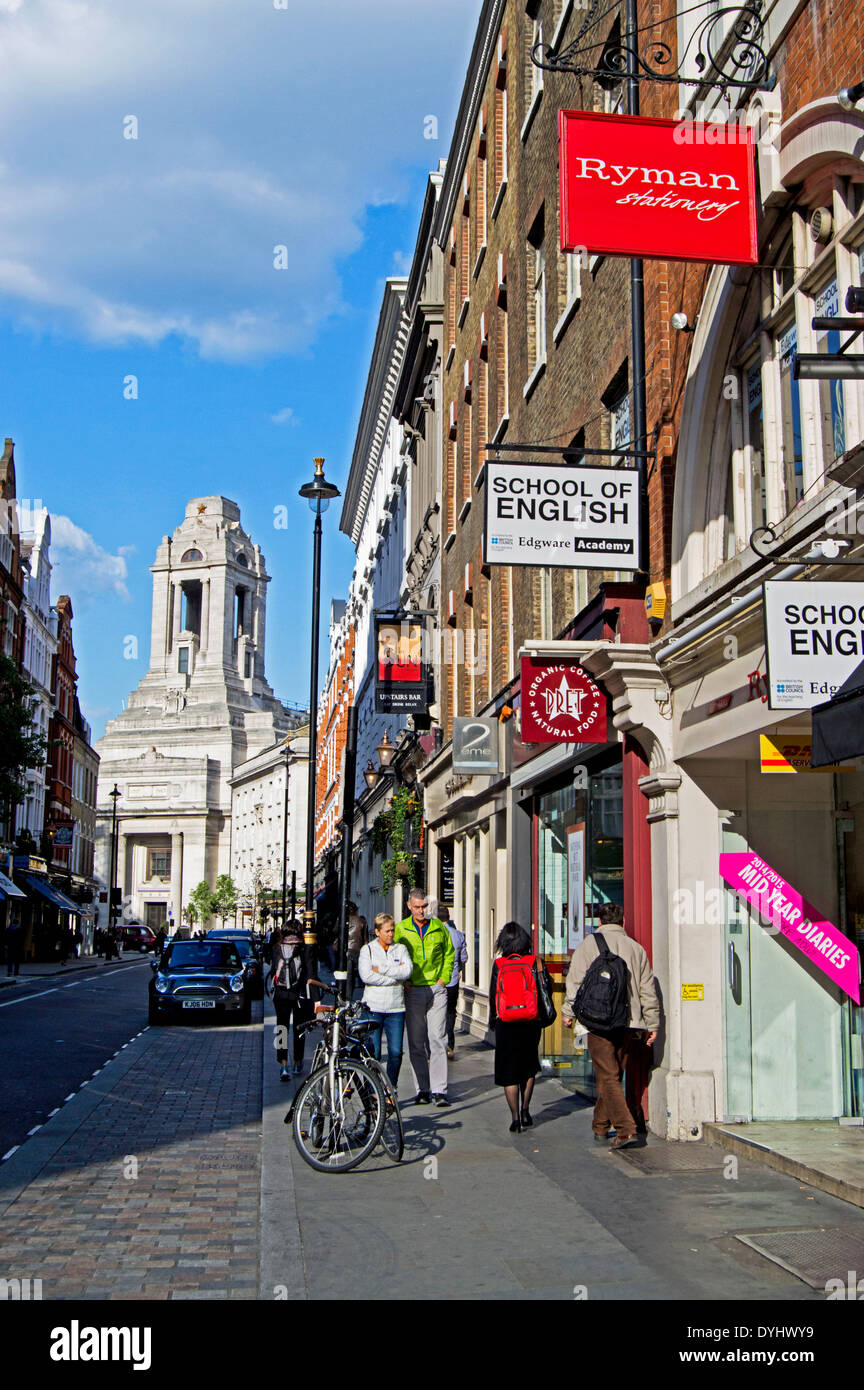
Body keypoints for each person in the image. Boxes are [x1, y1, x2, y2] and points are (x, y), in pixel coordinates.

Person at [562, 902, 659, 1149]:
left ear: (600, 922)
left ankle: (626, 1130)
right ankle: (601, 1125)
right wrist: (652, 1022)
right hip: (630, 1022)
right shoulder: (637, 949)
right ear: (623, 921)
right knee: (613, 1074)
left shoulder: (588, 945)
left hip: (598, 1021)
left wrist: (568, 1012)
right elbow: (647, 989)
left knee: (608, 1076)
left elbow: (575, 982)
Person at [394, 888, 455, 1107]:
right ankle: (423, 1088)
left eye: (424, 907)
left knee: (438, 1039)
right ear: (409, 906)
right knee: (416, 1042)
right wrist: (404, 981)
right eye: (417, 907)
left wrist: (443, 978)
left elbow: (450, 953)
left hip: (436, 988)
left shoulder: (438, 927)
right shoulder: (401, 930)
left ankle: (439, 1090)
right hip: (413, 990)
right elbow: (394, 957)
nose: (421, 911)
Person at [489, 922, 549, 1133]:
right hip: (530, 1021)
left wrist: (493, 1022)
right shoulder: (534, 962)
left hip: (506, 1022)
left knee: (509, 1071)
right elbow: (545, 990)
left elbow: (492, 995)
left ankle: (515, 1118)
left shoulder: (499, 964)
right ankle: (525, 1109)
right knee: (529, 1066)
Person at [358, 913, 413, 1088]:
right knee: (372, 1052)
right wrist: (395, 978)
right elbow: (367, 976)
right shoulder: (367, 950)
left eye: (392, 930)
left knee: (396, 1052)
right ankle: (373, 1090)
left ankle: (391, 1087)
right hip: (372, 1007)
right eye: (387, 931)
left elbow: (407, 971)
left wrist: (381, 969)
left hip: (396, 1008)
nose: (391, 934)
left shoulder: (401, 949)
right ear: (377, 932)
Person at [268, 923, 314, 1080]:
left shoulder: (277, 948)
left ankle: (283, 1064)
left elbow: (272, 967)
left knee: (282, 1028)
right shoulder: (302, 948)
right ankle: (297, 1062)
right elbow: (309, 971)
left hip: (280, 994)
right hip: (298, 993)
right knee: (299, 1029)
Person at [438, 905, 467, 1059]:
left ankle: (435, 1046)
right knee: (450, 1012)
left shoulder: (434, 934)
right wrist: (459, 967)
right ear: (448, 918)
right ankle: (450, 1044)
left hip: (436, 980)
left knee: (436, 1012)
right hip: (452, 980)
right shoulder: (458, 935)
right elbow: (464, 958)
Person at [346, 902, 368, 999]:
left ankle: (348, 998)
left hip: (347, 950)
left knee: (348, 976)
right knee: (362, 973)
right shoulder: (362, 921)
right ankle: (364, 996)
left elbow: (335, 931)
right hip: (358, 949)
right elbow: (365, 938)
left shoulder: (343, 920)